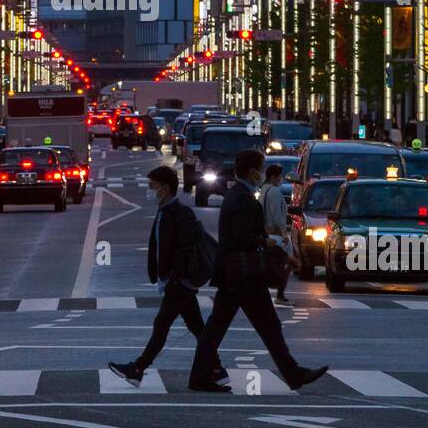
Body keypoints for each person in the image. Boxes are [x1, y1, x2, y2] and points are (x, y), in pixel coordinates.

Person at [188, 149, 328, 393]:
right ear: (252, 171)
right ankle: (293, 374)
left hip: (234, 273)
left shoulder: (239, 194)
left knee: (217, 328)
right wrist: (272, 245)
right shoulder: (243, 198)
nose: (263, 173)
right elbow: (246, 236)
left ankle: (199, 376)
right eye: (261, 168)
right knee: (267, 327)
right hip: (244, 275)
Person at [108, 166, 227, 387]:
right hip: (176, 281)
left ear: (165, 188)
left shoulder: (180, 213)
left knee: (162, 324)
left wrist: (174, 277)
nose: (149, 190)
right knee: (197, 328)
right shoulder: (165, 211)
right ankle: (217, 368)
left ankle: (138, 368)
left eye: (152, 186)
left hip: (180, 282)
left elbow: (184, 248)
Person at [260, 164, 296, 304]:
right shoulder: (274, 191)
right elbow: (277, 215)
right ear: (273, 177)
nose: (281, 179)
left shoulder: (264, 189)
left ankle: (277, 293)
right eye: (280, 176)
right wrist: (284, 233)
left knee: (274, 264)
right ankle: (280, 294)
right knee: (286, 263)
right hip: (275, 234)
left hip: (267, 233)